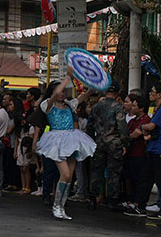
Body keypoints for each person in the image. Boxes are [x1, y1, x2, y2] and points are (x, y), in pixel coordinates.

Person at [35, 71, 95, 220]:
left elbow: (88, 94)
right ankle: (56, 206)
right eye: (60, 91)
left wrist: (97, 77)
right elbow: (55, 94)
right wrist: (68, 77)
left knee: (69, 177)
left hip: (72, 139)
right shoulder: (47, 105)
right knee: (65, 174)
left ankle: (61, 207)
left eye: (64, 91)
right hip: (56, 140)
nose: (62, 94)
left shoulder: (70, 105)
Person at [88, 81, 128, 210]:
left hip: (99, 142)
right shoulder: (118, 107)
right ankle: (112, 200)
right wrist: (125, 142)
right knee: (114, 172)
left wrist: (92, 139)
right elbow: (122, 126)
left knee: (96, 171)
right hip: (113, 142)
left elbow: (90, 125)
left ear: (105, 91)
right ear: (118, 93)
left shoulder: (96, 107)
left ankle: (92, 198)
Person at [125, 82, 161, 218]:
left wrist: (143, 128)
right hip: (153, 148)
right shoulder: (156, 109)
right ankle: (140, 205)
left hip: (157, 149)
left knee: (154, 178)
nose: (150, 94)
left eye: (153, 91)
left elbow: (151, 126)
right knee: (146, 178)